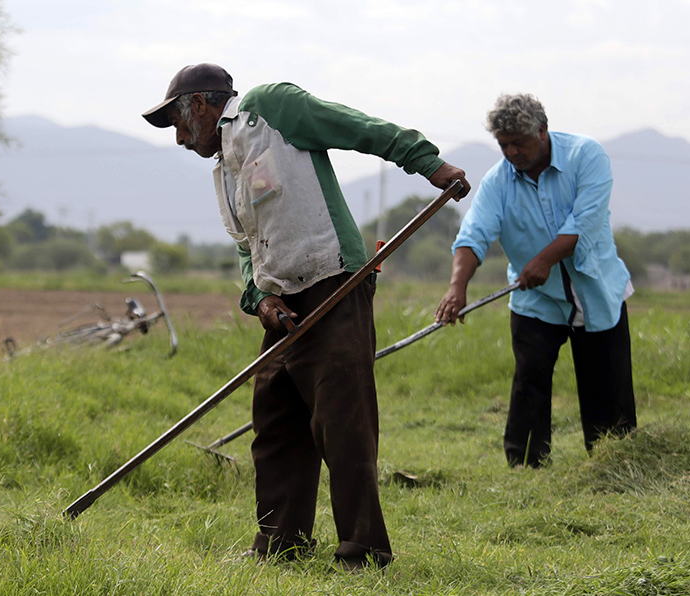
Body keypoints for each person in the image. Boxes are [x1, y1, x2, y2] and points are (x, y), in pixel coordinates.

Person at [143, 63, 469, 570]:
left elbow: (358, 127)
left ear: (202, 107)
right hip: (284, 308)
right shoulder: (225, 172)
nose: (182, 139)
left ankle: (363, 551)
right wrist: (260, 300)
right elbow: (248, 251)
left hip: (334, 281)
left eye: (181, 125)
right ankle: (281, 544)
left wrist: (427, 163)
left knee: (343, 421)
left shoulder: (271, 108)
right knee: (275, 421)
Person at [435, 93, 637, 468]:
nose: (511, 152)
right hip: (535, 298)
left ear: (542, 132)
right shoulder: (497, 182)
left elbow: (586, 221)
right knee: (529, 381)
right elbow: (474, 234)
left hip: (598, 290)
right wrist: (456, 287)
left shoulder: (586, 156)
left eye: (519, 142)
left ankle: (615, 462)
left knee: (607, 384)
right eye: (503, 145)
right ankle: (527, 466)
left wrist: (543, 259)